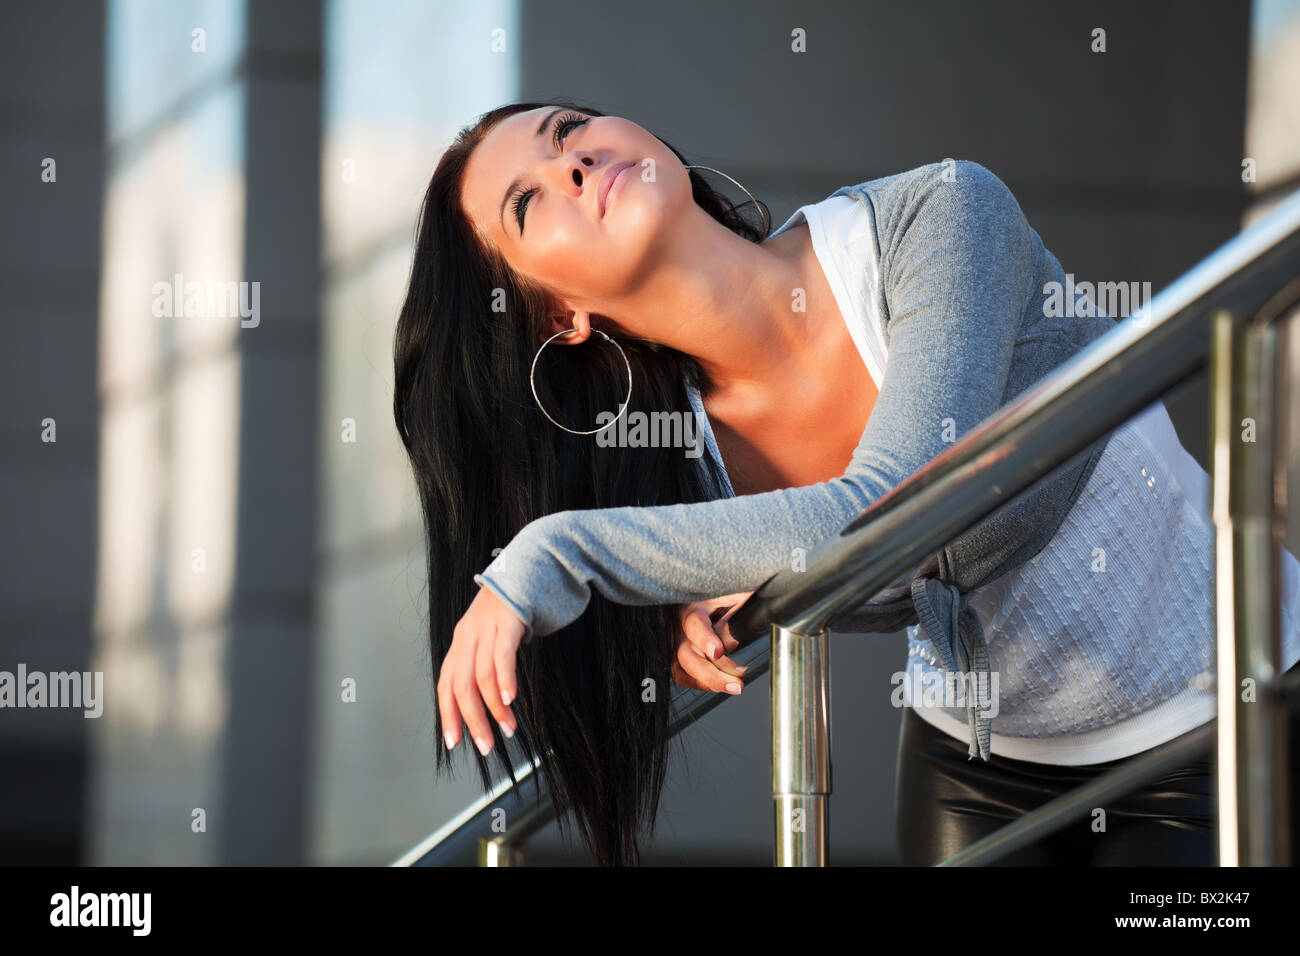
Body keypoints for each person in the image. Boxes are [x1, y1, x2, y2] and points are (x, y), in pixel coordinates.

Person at [392, 99, 1300, 866]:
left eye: (568, 130)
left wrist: (568, 552)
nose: (575, 162)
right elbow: (834, 565)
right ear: (560, 316)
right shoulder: (682, 462)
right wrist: (676, 598)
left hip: (1220, 714)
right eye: (528, 202)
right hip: (975, 772)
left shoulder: (940, 214)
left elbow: (902, 512)